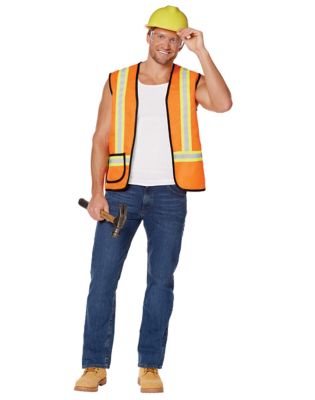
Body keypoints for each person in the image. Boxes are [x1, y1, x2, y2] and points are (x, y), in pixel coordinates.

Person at [74, 5, 232, 394]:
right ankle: (94, 364)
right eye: (160, 35)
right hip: (120, 195)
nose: (166, 43)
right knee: (102, 282)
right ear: (147, 36)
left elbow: (224, 103)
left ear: (182, 42)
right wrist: (97, 192)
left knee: (160, 282)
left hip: (169, 197)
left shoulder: (190, 80)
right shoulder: (118, 80)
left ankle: (149, 366)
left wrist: (203, 52)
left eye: (174, 38)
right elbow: (100, 138)